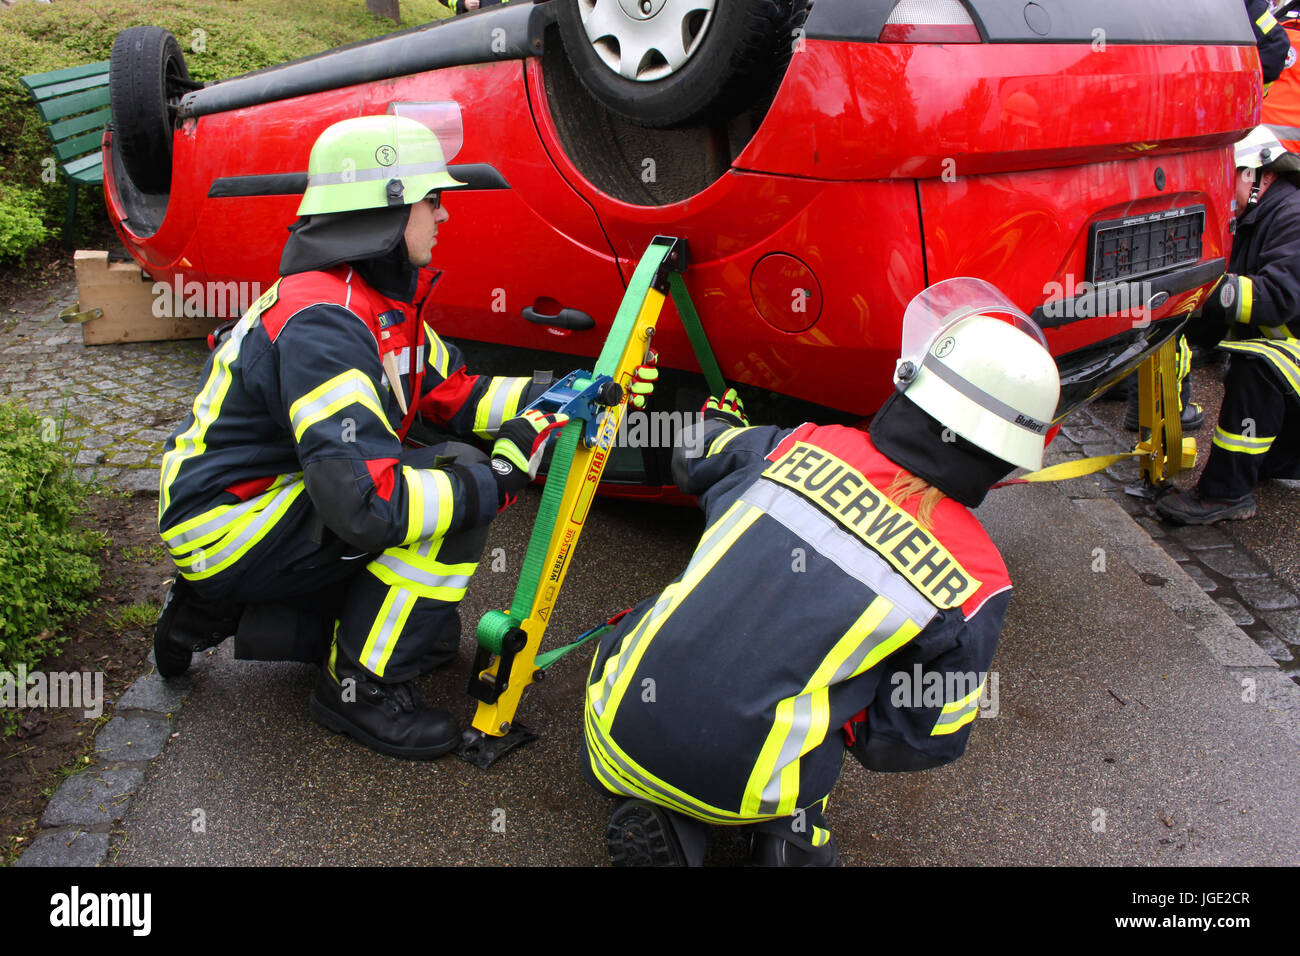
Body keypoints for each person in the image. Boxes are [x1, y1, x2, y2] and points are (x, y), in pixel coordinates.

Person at [582, 278, 1061, 866]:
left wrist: (716, 422)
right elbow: (917, 739)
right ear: (1013, 452)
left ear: (911, 385)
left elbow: (692, 456)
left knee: (679, 616)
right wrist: (843, 700)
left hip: (609, 731)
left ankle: (671, 818)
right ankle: (785, 841)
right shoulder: (979, 580)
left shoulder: (800, 443)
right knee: (819, 701)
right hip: (749, 785)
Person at [152, 115, 573, 759]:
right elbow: (367, 506)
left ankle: (213, 610)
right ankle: (361, 689)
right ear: (388, 207)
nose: (444, 216)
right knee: (449, 480)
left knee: (428, 628)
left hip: (253, 504)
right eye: (433, 201)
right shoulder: (325, 320)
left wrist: (572, 396)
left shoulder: (372, 302)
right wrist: (496, 481)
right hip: (229, 522)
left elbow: (462, 394)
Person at [1157, 125, 1300, 525]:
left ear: (1255, 173)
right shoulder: (1259, 216)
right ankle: (1269, 461)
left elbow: (1276, 299)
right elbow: (1220, 319)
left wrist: (1204, 289)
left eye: (1223, 176)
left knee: (1260, 364)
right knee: (1256, 362)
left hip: (1289, 370)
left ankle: (1225, 495)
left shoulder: (1293, 215)